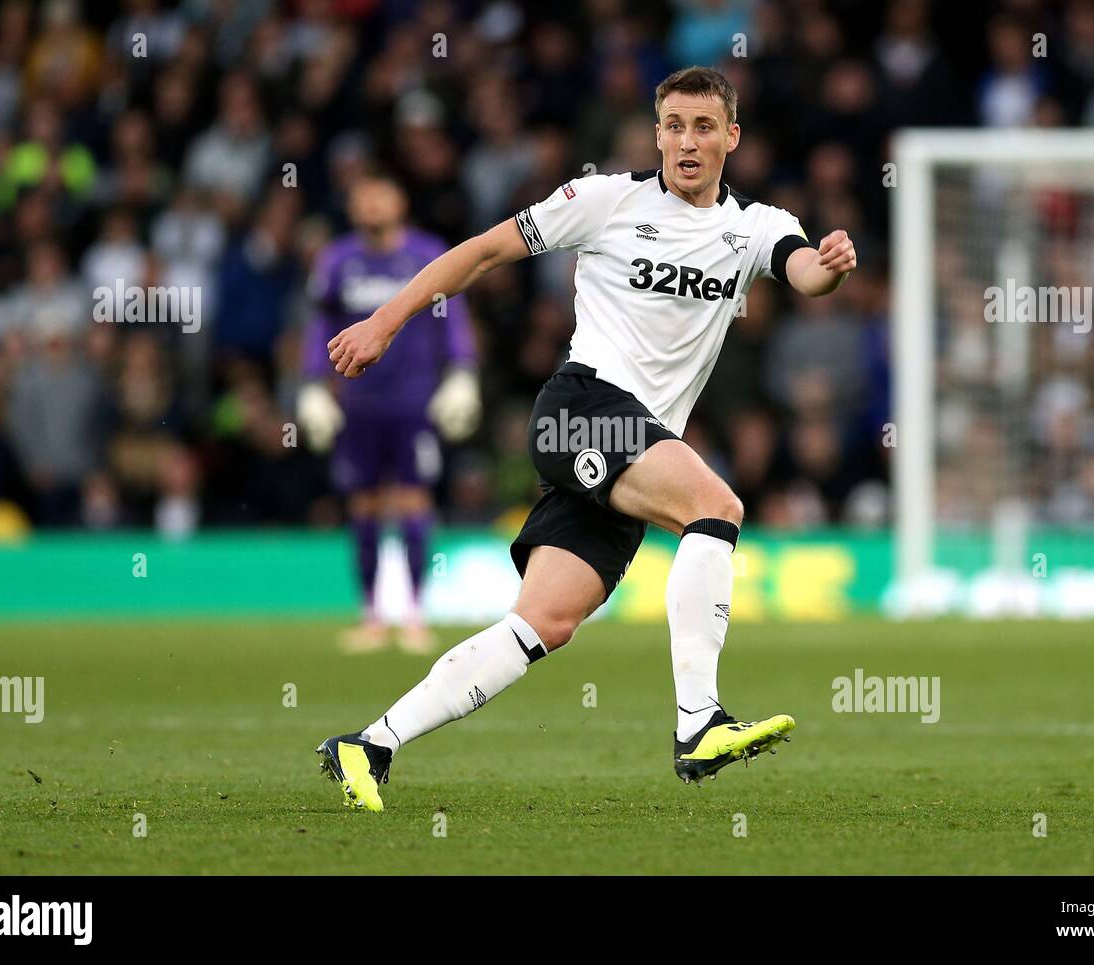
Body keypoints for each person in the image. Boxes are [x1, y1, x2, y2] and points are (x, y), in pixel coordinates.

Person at [318, 67, 856, 811]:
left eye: (704, 127)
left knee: (543, 623)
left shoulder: (757, 226)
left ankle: (369, 743)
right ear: (656, 131)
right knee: (717, 506)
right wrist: (385, 320)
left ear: (732, 136)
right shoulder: (605, 199)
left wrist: (828, 266)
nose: (686, 141)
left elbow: (802, 275)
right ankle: (698, 722)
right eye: (673, 124)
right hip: (581, 409)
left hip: (637, 446)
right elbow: (479, 252)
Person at [299, 174, 479, 654]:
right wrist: (314, 383)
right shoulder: (337, 259)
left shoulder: (425, 253)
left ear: (400, 201)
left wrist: (462, 371)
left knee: (415, 500)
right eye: (363, 195)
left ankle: (416, 613)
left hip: (414, 400)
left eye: (381, 193)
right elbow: (321, 323)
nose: (372, 202)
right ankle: (372, 615)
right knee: (362, 505)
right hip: (357, 401)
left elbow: (451, 315)